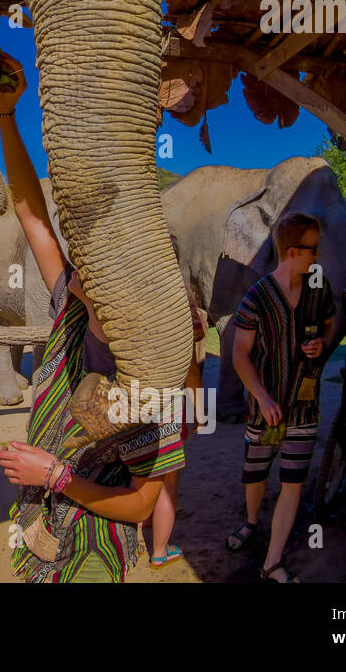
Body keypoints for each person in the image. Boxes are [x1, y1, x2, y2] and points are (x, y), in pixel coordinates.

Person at [0, 51, 186, 583]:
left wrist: (54, 475)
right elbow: (33, 217)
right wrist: (5, 116)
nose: (76, 268)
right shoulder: (71, 311)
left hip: (95, 556)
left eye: (92, 263)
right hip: (45, 536)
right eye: (82, 257)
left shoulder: (152, 380)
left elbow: (142, 505)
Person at [224, 212, 336, 583]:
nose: (318, 256)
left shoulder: (320, 289)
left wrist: (323, 343)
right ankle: (252, 522)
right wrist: (261, 397)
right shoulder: (256, 298)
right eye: (313, 249)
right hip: (263, 411)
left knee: (293, 482)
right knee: (254, 473)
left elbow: (331, 323)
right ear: (292, 251)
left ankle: (272, 562)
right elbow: (240, 354)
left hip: (305, 407)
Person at [143, 234, 205, 569]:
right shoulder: (178, 300)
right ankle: (160, 550)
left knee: (144, 466)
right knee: (168, 479)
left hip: (135, 397)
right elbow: (189, 365)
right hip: (167, 400)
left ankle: (144, 520)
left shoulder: (130, 297)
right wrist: (199, 407)